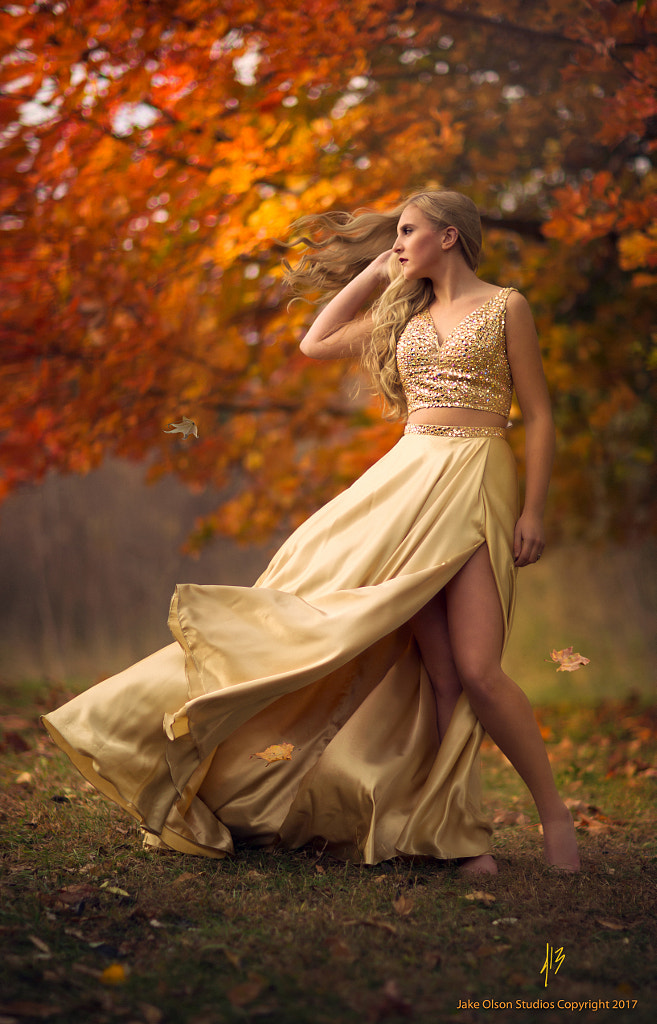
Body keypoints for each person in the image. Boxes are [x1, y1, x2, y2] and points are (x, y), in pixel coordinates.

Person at [42, 189, 580, 875]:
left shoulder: (507, 305)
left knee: (477, 671)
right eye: (394, 236)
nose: (397, 243)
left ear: (449, 236)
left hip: (478, 478)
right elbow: (315, 340)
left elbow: (537, 414)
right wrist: (376, 274)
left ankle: (554, 817)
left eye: (408, 232)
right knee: (439, 673)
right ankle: (457, 835)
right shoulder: (403, 314)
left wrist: (532, 511)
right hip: (405, 486)